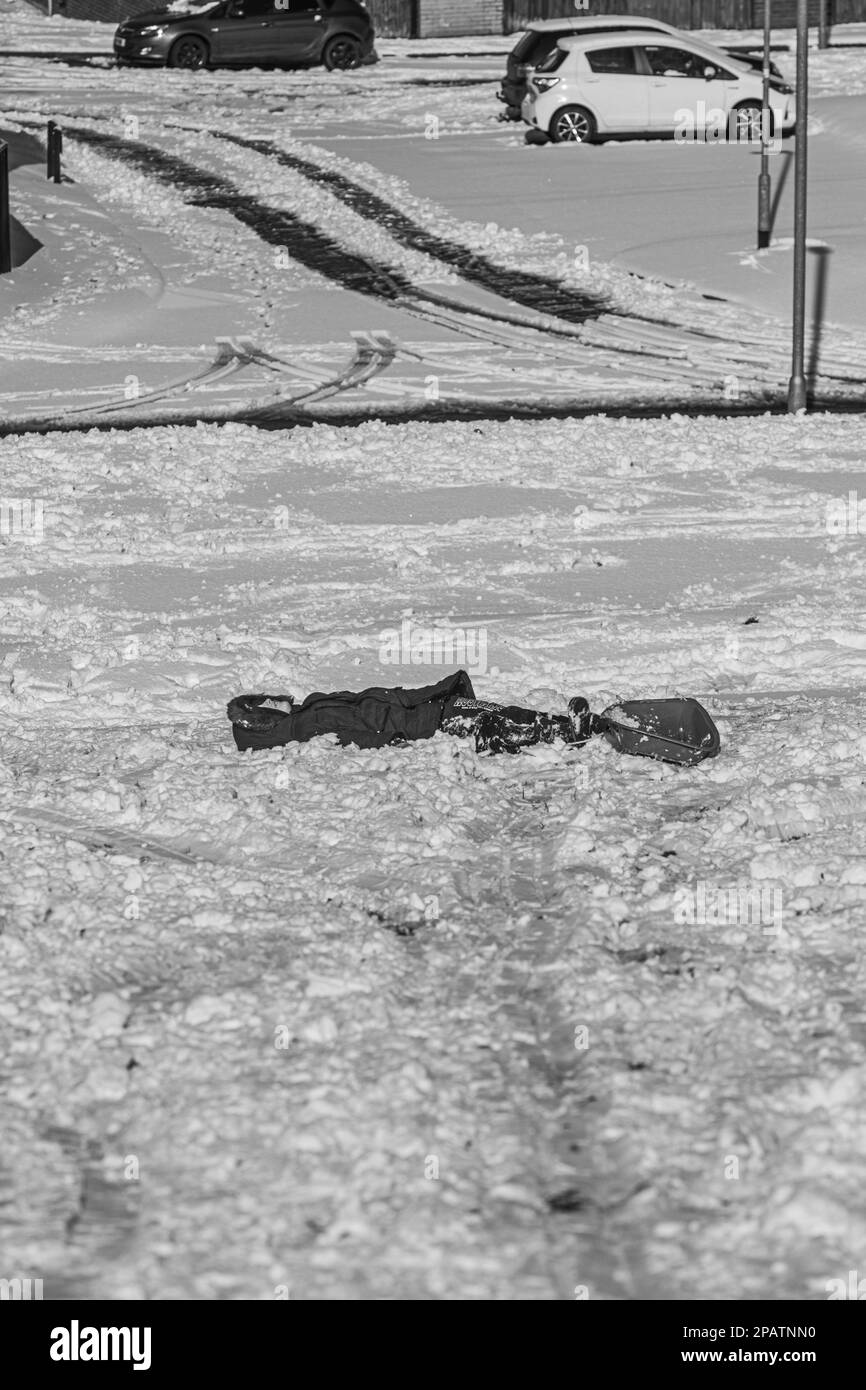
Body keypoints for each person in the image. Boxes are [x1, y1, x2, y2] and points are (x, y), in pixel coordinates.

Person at [227, 668, 594, 755]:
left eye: (265, 697)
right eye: (265, 706)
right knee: (489, 719)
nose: (273, 700)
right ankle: (565, 734)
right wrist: (394, 740)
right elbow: (355, 733)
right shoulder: (304, 724)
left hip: (426, 708)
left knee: (493, 711)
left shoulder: (310, 704)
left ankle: (565, 726)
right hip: (423, 721)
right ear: (265, 719)